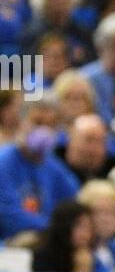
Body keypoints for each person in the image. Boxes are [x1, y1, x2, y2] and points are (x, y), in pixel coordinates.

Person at [0, 98, 78, 241]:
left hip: (47, 242)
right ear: (20, 123)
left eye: (51, 125)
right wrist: (56, 229)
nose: (44, 131)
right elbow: (10, 217)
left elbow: (75, 205)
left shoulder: (54, 167)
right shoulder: (3, 162)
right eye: (37, 123)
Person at [31, 197, 97, 272]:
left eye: (89, 227)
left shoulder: (94, 253)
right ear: (65, 226)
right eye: (79, 226)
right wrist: (81, 269)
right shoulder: (43, 256)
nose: (85, 233)